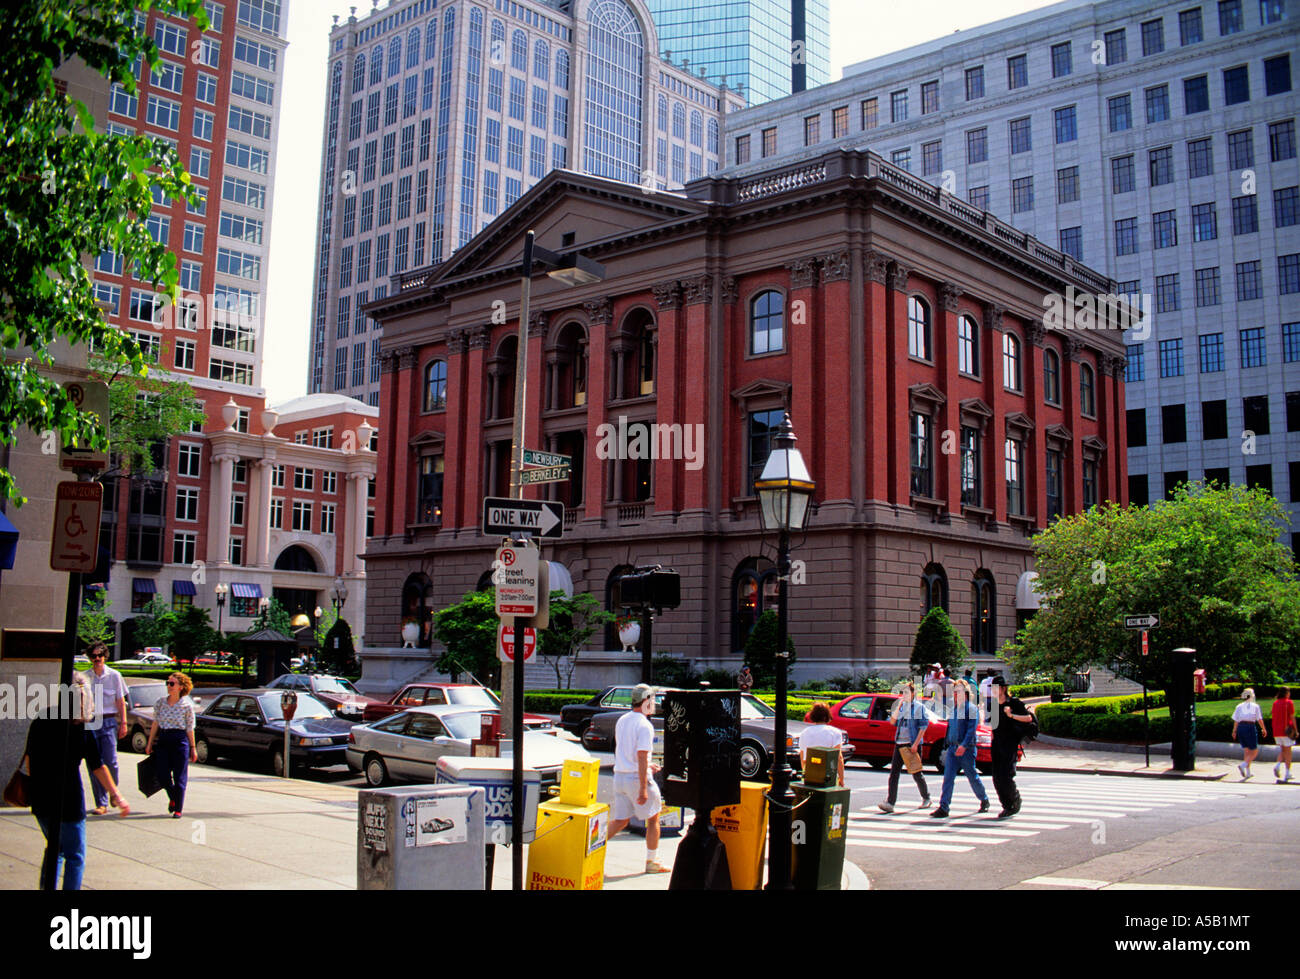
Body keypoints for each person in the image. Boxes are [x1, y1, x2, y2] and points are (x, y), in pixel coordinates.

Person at [21, 672, 130, 890]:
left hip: (41, 798)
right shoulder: (82, 729)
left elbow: (29, 761)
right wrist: (116, 795)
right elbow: (98, 766)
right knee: (75, 855)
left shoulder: (42, 719)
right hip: (68, 799)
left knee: (54, 848)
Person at [606, 684, 670, 874]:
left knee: (620, 821)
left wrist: (646, 765)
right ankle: (652, 862)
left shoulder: (622, 720)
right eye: (652, 700)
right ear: (645, 701)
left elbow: (627, 752)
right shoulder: (644, 725)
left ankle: (589, 848)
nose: (654, 704)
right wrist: (643, 787)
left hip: (620, 777)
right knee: (653, 818)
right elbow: (641, 756)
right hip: (637, 779)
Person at [931, 679, 990, 818]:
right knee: (948, 778)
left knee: (972, 776)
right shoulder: (955, 709)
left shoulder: (971, 709)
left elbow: (971, 730)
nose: (956, 694)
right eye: (955, 691)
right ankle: (944, 807)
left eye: (959, 691)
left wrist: (963, 745)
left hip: (966, 749)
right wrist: (947, 743)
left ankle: (984, 799)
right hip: (952, 748)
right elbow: (950, 727)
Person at [83, 642, 127, 816]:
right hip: (90, 721)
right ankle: (101, 803)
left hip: (108, 721)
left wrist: (123, 722)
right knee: (95, 763)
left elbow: (120, 701)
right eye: (93, 656)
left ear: (105, 656)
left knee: (111, 761)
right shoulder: (85, 677)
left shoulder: (114, 676)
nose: (97, 659)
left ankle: (113, 793)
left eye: (99, 656)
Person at [146, 672, 198, 817]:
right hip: (164, 739)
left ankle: (178, 809)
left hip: (180, 741)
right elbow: (155, 723)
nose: (169, 686)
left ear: (181, 687)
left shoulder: (186, 706)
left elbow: (189, 728)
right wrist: (150, 743)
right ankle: (173, 797)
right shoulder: (160, 702)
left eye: (172, 683)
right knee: (162, 775)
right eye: (168, 683)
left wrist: (193, 748)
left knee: (179, 776)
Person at [878, 682, 930, 812]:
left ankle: (926, 797)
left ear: (913, 694)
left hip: (911, 744)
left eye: (907, 692)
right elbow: (892, 722)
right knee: (894, 773)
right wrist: (899, 706)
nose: (904, 695)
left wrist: (916, 744)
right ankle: (890, 802)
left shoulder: (919, 708)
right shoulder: (902, 708)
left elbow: (923, 727)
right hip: (899, 743)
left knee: (916, 773)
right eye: (903, 693)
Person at [991, 677, 1032, 819]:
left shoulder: (1014, 703)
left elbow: (1028, 719)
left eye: (996, 688)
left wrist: (1011, 715)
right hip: (997, 744)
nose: (993, 691)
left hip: (1010, 744)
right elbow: (994, 726)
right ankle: (1006, 805)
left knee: (1006, 776)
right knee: (996, 777)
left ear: (1003, 689)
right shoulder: (994, 705)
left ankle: (1014, 801)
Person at [800, 702, 845, 786]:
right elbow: (839, 757)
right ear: (827, 716)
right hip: (828, 773)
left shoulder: (804, 732)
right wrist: (841, 778)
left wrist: (804, 771)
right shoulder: (835, 732)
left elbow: (802, 755)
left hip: (809, 770)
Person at [1231, 688, 1267, 781]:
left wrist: (1234, 731)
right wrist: (1263, 729)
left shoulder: (1239, 706)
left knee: (1246, 751)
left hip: (1241, 727)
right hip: (1250, 727)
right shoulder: (1255, 706)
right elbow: (1259, 719)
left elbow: (1236, 720)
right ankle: (1243, 766)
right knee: (1254, 751)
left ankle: (1248, 772)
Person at [1272, 687, 1296, 783]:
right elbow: (1292, 717)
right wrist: (1296, 730)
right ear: (1286, 693)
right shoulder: (1289, 702)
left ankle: (1278, 765)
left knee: (1283, 750)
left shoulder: (1275, 703)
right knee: (1288, 752)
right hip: (1286, 731)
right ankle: (1287, 772)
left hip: (1277, 731)